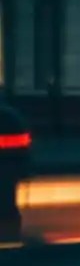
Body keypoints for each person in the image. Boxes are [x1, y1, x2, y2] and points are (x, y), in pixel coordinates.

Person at [0, 101, 31, 243]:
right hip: (9, 171)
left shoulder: (10, 118)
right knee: (7, 204)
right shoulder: (11, 118)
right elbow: (23, 151)